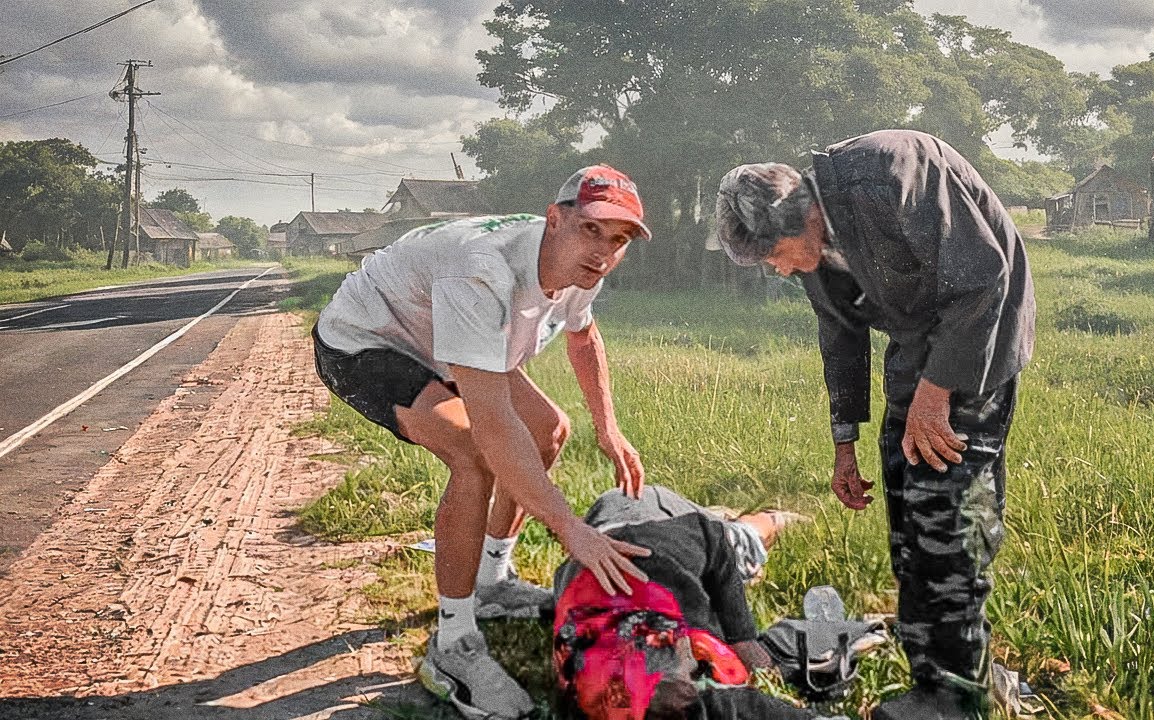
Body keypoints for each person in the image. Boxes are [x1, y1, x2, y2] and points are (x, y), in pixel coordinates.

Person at [715, 129, 1036, 719]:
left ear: (801, 215)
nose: (780, 272)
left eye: (773, 257)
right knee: (906, 503)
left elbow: (982, 278)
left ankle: (959, 698)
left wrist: (936, 394)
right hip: (918, 343)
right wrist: (844, 442)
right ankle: (935, 675)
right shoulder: (812, 242)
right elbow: (840, 332)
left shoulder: (889, 174)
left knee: (946, 510)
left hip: (978, 337)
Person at [313, 165, 654, 720]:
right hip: (366, 339)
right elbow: (494, 426)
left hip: (446, 332)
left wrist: (608, 427)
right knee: (474, 454)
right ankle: (453, 644)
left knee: (550, 430)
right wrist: (570, 529)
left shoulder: (580, 264)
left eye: (618, 240)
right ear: (556, 217)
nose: (604, 251)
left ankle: (492, 580)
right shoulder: (483, 271)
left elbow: (583, 335)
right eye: (593, 230)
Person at [553, 485, 836, 720]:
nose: (697, 680)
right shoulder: (581, 670)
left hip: (660, 513)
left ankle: (769, 519)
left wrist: (743, 638)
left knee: (744, 545)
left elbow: (715, 542)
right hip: (603, 538)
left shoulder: (667, 550)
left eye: (690, 674)